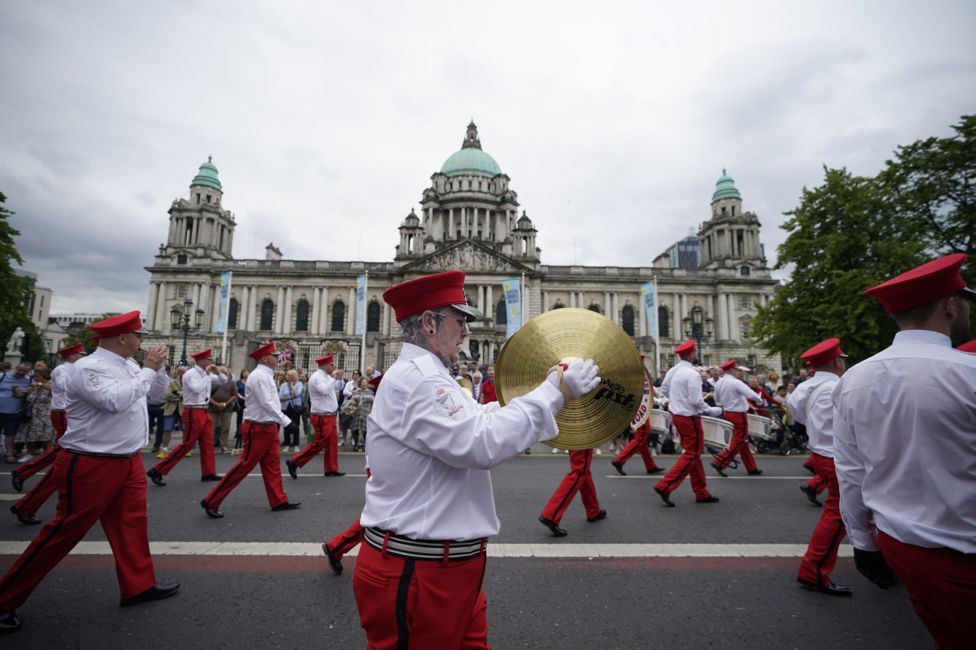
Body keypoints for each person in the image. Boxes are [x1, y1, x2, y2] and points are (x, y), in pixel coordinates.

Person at [353, 270, 600, 648]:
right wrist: (552, 394)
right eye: (460, 319)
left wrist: (541, 391)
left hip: (449, 567)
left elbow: (476, 418)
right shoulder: (421, 380)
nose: (467, 330)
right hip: (419, 570)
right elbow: (479, 443)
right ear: (429, 323)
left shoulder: (429, 375)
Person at [0, 311, 177, 635]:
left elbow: (155, 393)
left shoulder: (131, 366)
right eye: (139, 335)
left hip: (127, 458)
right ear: (123, 338)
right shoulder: (88, 368)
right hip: (93, 460)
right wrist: (148, 370)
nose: (142, 341)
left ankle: (138, 585)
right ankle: (5, 598)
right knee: (63, 532)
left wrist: (158, 370)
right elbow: (114, 402)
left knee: (132, 525)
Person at [833, 253, 976, 647]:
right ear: (950, 305)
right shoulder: (968, 372)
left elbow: (851, 472)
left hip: (900, 545)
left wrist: (863, 543)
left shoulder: (853, 378)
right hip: (964, 549)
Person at [200, 342, 300, 518]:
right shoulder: (260, 376)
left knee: (272, 465)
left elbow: (270, 402)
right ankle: (211, 499)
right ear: (264, 358)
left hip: (266, 426)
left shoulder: (265, 374)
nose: (277, 358)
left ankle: (278, 500)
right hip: (258, 427)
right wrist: (286, 421)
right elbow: (266, 402)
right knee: (244, 465)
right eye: (274, 355)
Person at [786, 338, 851, 596]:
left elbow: (798, 415)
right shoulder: (841, 386)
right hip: (840, 456)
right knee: (839, 513)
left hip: (819, 454)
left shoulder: (804, 388)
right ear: (837, 361)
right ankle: (813, 570)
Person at [10, 344, 84, 517]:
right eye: (81, 354)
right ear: (73, 356)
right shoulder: (62, 370)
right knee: (64, 453)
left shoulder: (73, 368)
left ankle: (24, 476)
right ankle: (23, 476)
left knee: (63, 455)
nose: (83, 357)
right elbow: (71, 388)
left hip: (70, 413)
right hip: (64, 413)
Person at [653, 339, 723, 507]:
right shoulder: (692, 374)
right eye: (696, 352)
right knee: (692, 454)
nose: (697, 354)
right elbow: (696, 400)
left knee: (694, 456)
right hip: (689, 417)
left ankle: (701, 491)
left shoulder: (674, 371)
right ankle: (665, 485)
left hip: (678, 415)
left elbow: (663, 391)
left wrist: (676, 401)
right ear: (692, 354)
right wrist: (712, 410)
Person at [147, 349, 227, 486]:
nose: (212, 362)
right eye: (209, 359)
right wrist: (208, 375)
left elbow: (223, 381)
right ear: (202, 361)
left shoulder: (204, 373)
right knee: (187, 444)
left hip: (203, 410)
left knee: (208, 443)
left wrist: (217, 372)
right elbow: (196, 389)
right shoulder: (190, 374)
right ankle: (158, 470)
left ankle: (208, 472)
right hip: (192, 410)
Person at [286, 354, 344, 479]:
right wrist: (334, 378)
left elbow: (339, 387)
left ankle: (331, 469)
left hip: (330, 415)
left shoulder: (326, 376)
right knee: (319, 443)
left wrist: (338, 378)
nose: (333, 367)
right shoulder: (317, 377)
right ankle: (294, 461)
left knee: (332, 443)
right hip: (322, 416)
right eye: (331, 365)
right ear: (325, 365)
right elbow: (324, 391)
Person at [611, 356, 664, 476]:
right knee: (642, 435)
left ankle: (650, 466)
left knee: (642, 439)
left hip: (636, 408)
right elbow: (645, 395)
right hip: (640, 409)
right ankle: (620, 460)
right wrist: (658, 401)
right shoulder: (638, 376)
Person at [710, 359, 763, 477]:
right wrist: (759, 400)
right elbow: (750, 394)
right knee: (739, 440)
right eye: (736, 369)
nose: (737, 371)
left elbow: (717, 400)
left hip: (728, 412)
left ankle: (752, 468)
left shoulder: (719, 382)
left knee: (743, 441)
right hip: (738, 414)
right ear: (731, 370)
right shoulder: (736, 382)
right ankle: (720, 461)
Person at [538, 446, 607, 537]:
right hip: (582, 436)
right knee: (579, 472)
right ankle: (550, 515)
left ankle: (593, 510)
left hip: (576, 436)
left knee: (584, 471)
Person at [0, 363, 31, 463]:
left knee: (10, 433)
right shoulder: (2, 376)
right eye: (20, 370)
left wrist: (14, 390)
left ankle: (9, 453)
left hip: (14, 411)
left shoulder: (26, 380)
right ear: (15, 368)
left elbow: (21, 395)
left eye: (24, 371)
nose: (21, 373)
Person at [157, 367, 186, 458]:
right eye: (181, 373)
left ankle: (186, 449)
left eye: (184, 373)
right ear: (178, 374)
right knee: (167, 429)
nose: (183, 375)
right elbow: (168, 395)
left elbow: (190, 395)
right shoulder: (172, 382)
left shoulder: (189, 382)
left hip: (183, 409)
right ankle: (164, 449)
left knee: (185, 430)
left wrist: (177, 393)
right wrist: (181, 396)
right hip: (171, 409)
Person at [208, 367, 237, 454]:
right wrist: (216, 404)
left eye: (225, 372)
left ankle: (223, 446)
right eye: (222, 372)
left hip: (226, 409)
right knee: (211, 428)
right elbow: (206, 395)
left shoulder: (231, 383)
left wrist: (225, 404)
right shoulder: (211, 382)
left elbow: (234, 395)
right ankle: (209, 445)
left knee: (225, 428)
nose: (224, 373)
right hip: (212, 408)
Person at [278, 369, 304, 452]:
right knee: (286, 426)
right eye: (288, 375)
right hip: (285, 407)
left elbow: (297, 394)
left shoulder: (299, 384)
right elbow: (280, 397)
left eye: (290, 376)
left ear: (294, 376)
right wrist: (290, 397)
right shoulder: (283, 385)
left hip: (296, 407)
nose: (288, 377)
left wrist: (292, 386)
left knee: (296, 426)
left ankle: (296, 444)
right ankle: (287, 444)